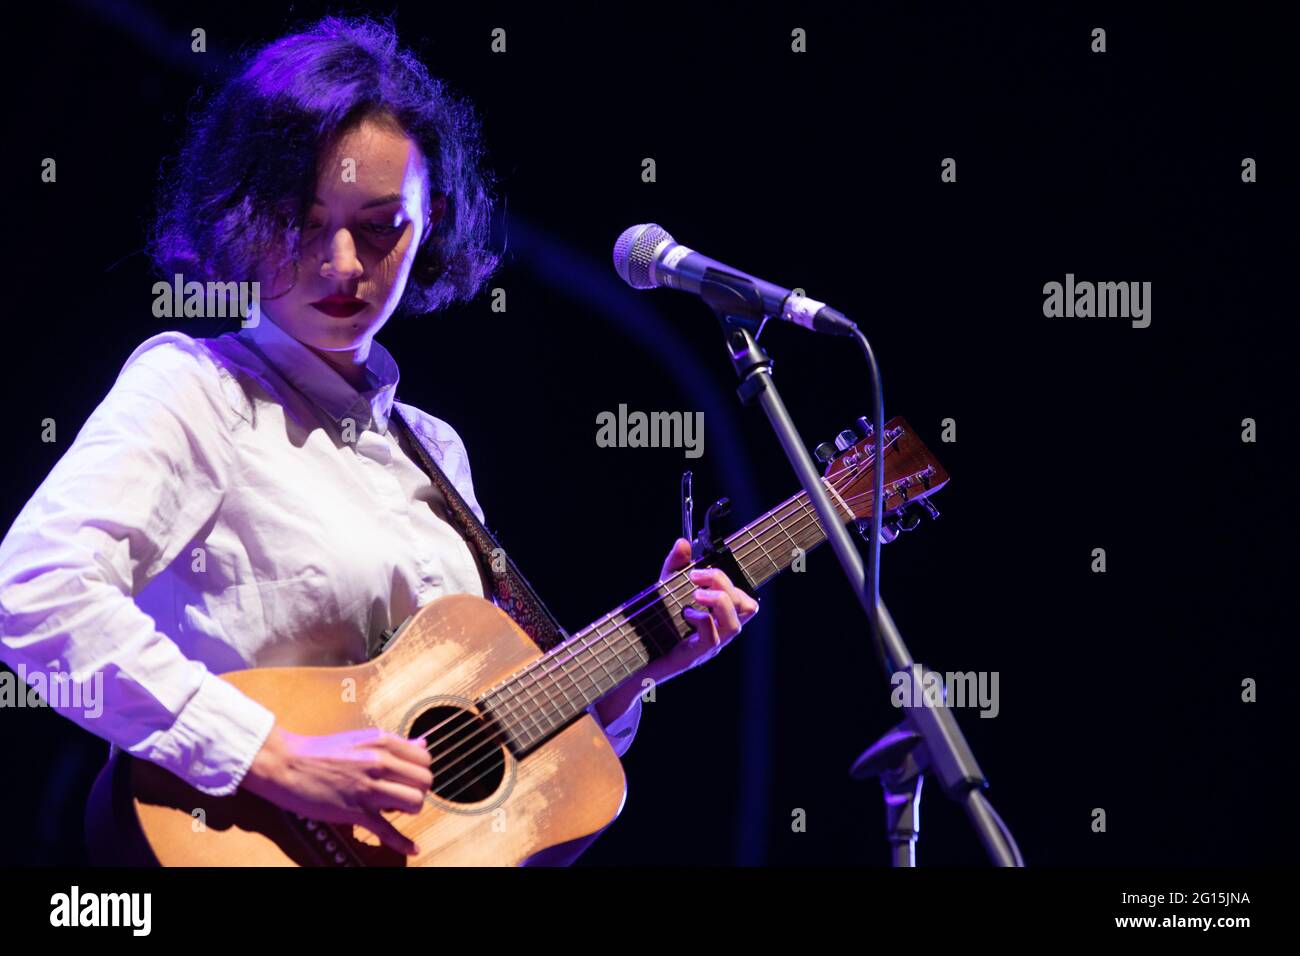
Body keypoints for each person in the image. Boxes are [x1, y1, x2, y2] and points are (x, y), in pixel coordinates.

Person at [0, 15, 757, 864]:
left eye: (380, 224)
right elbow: (33, 591)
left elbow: (477, 766)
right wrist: (276, 758)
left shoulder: (433, 449)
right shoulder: (195, 389)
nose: (340, 263)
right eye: (301, 215)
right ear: (244, 208)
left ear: (432, 221)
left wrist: (636, 668)